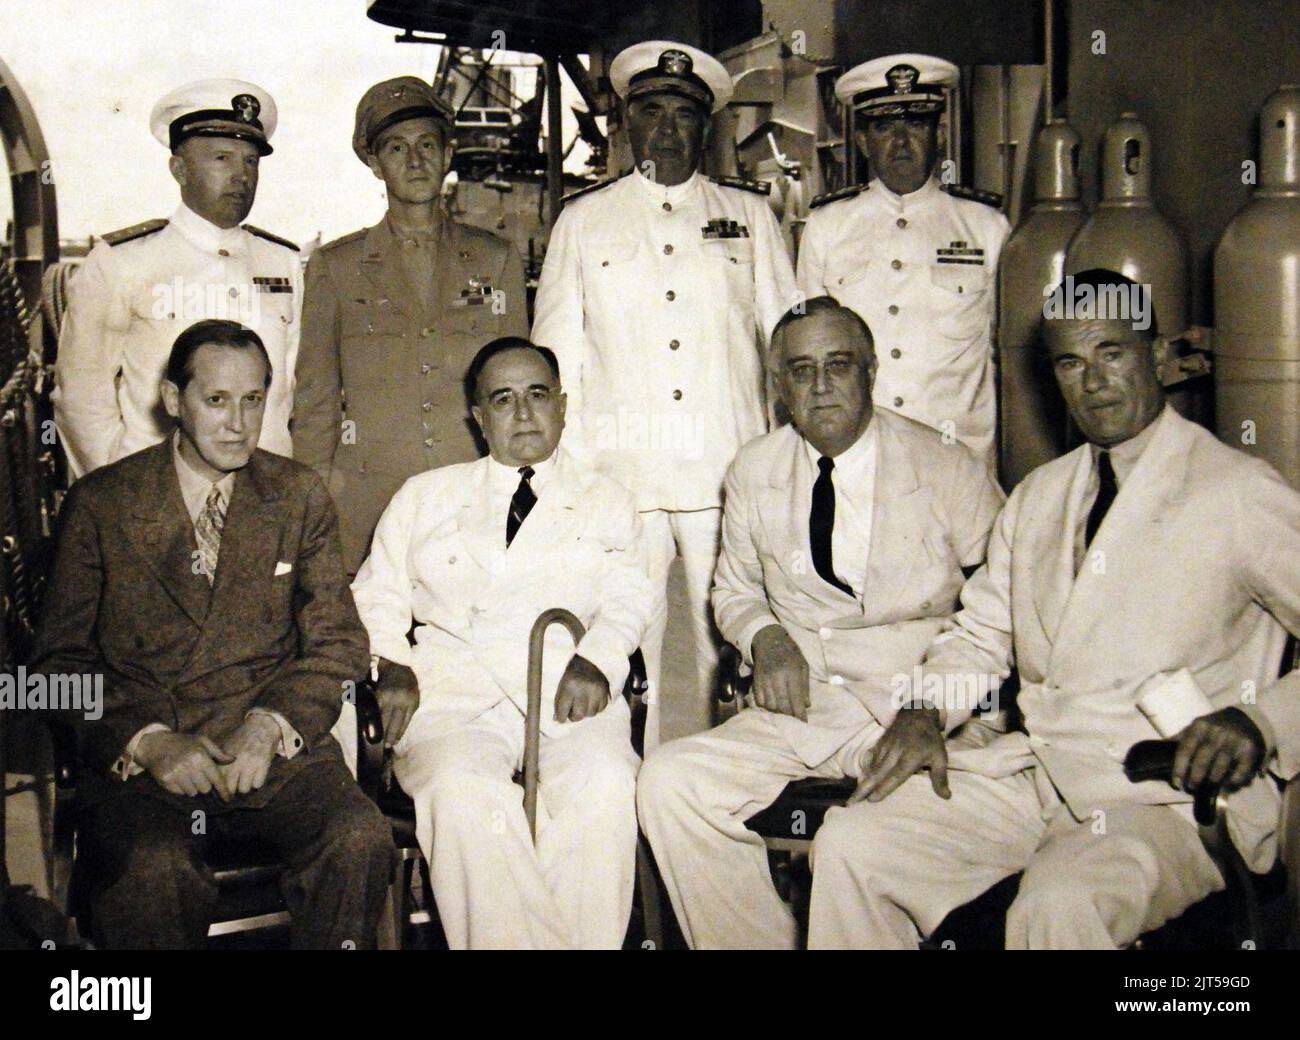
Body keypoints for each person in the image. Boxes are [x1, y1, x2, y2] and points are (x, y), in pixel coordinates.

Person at [809, 269, 1300, 949]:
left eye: (1113, 352)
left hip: (1161, 800)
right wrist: (925, 711)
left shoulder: (1236, 491)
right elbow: (981, 636)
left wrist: (1260, 720)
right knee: (852, 843)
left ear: (1158, 358)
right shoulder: (1040, 496)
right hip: (1038, 776)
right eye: (1071, 361)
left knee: (1058, 907)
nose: (1092, 381)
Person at [636, 297, 1003, 949]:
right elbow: (734, 590)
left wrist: (937, 709)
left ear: (870, 372)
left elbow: (1001, 609)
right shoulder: (754, 470)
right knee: (668, 782)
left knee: (860, 843)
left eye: (839, 365)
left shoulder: (947, 466)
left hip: (913, 710)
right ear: (778, 388)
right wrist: (765, 637)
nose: (821, 385)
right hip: (804, 711)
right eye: (800, 370)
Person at [32, 320, 394, 949]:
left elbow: (339, 642)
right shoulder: (101, 504)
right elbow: (53, 672)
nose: (237, 424)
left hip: (274, 757)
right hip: (150, 773)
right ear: (174, 400)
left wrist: (270, 724)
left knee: (359, 838)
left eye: (253, 400)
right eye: (216, 400)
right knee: (153, 870)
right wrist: (147, 743)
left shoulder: (296, 495)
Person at [532, 40, 798, 746]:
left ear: (707, 127)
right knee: (618, 647)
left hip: (728, 471)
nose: (668, 128)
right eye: (651, 110)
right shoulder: (584, 221)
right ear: (624, 121)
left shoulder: (751, 218)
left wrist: (781, 467)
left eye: (685, 114)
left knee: (734, 649)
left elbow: (785, 351)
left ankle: (728, 806)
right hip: (625, 475)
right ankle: (626, 807)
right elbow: (559, 365)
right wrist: (575, 479)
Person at [350, 336, 653, 949]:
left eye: (538, 395)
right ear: (477, 417)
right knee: (464, 795)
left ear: (563, 406)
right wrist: (391, 663)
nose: (522, 414)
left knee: (603, 785)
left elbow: (630, 600)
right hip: (454, 698)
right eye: (503, 399)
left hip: (566, 690)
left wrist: (599, 658)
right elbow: (374, 595)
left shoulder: (607, 499)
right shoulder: (425, 494)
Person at [293, 76, 527, 574]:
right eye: (396, 148)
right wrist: (318, 497)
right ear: (376, 165)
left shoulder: (496, 258)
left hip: (471, 495)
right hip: (368, 500)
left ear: (448, 155)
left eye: (426, 145)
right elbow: (315, 399)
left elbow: (516, 387)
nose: (414, 160)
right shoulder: (335, 267)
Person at [54, 79, 303, 479]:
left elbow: (289, 394)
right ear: (179, 168)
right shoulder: (122, 260)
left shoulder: (284, 263)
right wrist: (119, 492)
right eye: (222, 158)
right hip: (155, 493)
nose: (241, 175)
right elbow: (81, 397)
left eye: (251, 161)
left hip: (261, 497)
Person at [797, 54, 1010, 463]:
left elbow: (1010, 356)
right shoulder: (828, 225)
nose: (900, 142)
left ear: (940, 135)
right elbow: (806, 350)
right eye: (883, 127)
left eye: (915, 124)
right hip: (859, 455)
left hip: (958, 455)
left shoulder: (985, 226)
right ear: (862, 141)